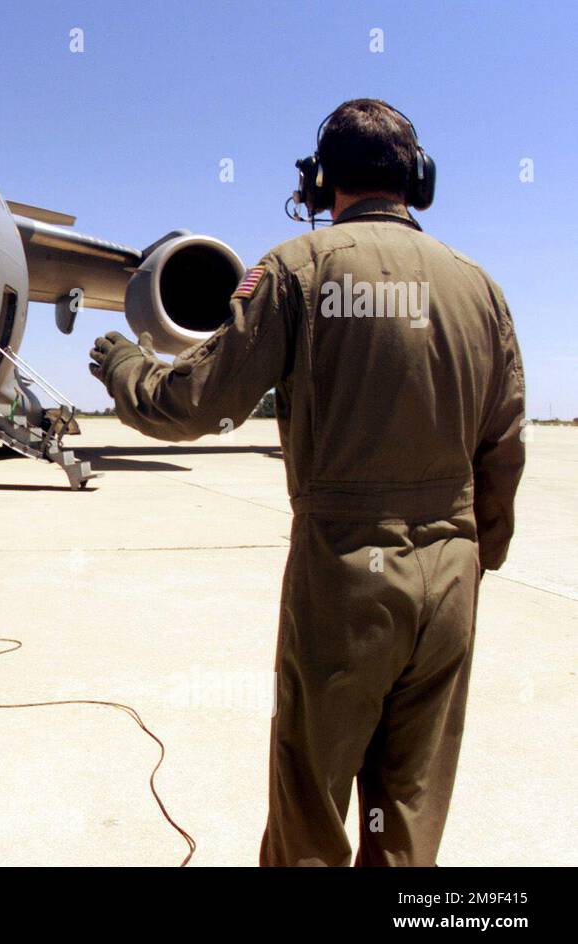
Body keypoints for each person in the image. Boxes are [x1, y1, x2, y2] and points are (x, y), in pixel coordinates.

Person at [89, 99, 526, 866]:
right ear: (415, 181)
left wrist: (128, 369)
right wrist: (471, 551)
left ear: (322, 181)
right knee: (409, 816)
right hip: (452, 579)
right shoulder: (479, 288)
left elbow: (199, 405)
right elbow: (504, 448)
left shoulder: (297, 269)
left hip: (349, 578)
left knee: (310, 815)